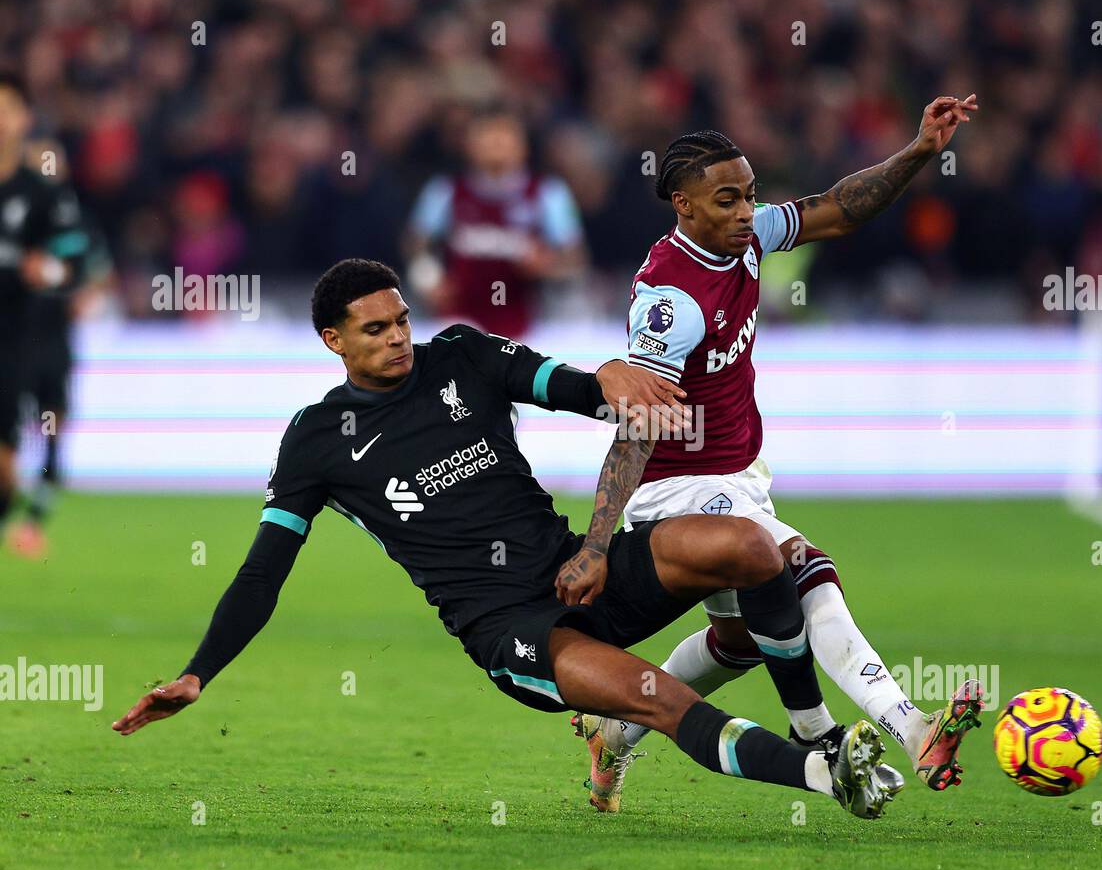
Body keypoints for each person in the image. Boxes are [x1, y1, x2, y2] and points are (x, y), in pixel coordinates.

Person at [112, 259, 906, 821]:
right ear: (333, 340)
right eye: (376, 329)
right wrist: (197, 674)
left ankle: (817, 729)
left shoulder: (460, 356)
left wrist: (609, 379)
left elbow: (574, 390)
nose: (398, 338)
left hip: (579, 572)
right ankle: (824, 775)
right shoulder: (318, 439)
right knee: (661, 700)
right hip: (512, 630)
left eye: (402, 321)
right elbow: (261, 575)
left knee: (749, 546)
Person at [569, 96, 986, 812]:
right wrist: (598, 542)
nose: (746, 211)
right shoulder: (672, 301)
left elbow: (838, 209)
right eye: (727, 199)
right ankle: (906, 729)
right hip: (679, 485)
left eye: (751, 196)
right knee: (805, 574)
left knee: (739, 638)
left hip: (738, 475)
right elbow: (637, 424)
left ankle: (614, 730)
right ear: (684, 205)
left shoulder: (747, 238)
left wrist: (919, 150)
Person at [0, 74, 89, 555]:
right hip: (16, 342)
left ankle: (35, 517)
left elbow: (82, 268)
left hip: (38, 338)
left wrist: (53, 272)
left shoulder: (50, 201)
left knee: (48, 427)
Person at [407, 108, 584, 340]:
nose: (496, 144)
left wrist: (547, 264)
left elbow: (575, 260)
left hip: (530, 322)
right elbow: (415, 246)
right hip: (458, 319)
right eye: (487, 137)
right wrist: (428, 278)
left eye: (505, 136)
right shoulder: (445, 191)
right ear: (469, 145)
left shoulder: (548, 193)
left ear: (524, 146)